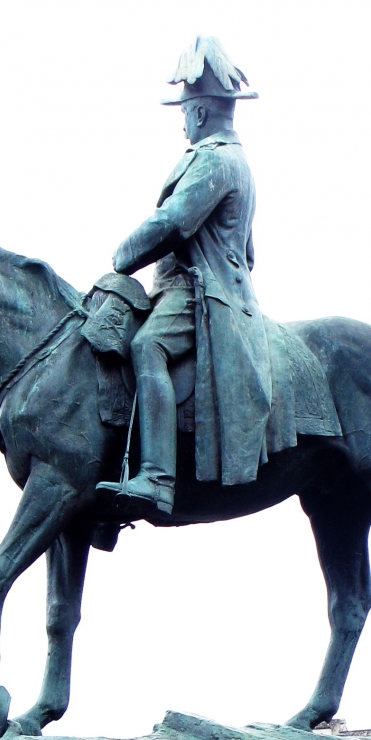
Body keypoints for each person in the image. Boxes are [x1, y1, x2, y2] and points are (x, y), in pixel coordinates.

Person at [100, 38, 271, 513]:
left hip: (200, 292)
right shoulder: (235, 161)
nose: (182, 122)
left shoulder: (215, 159)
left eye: (184, 111)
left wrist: (124, 255)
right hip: (205, 285)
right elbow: (249, 251)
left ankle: (157, 477)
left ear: (199, 112)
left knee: (146, 347)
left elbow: (174, 222)